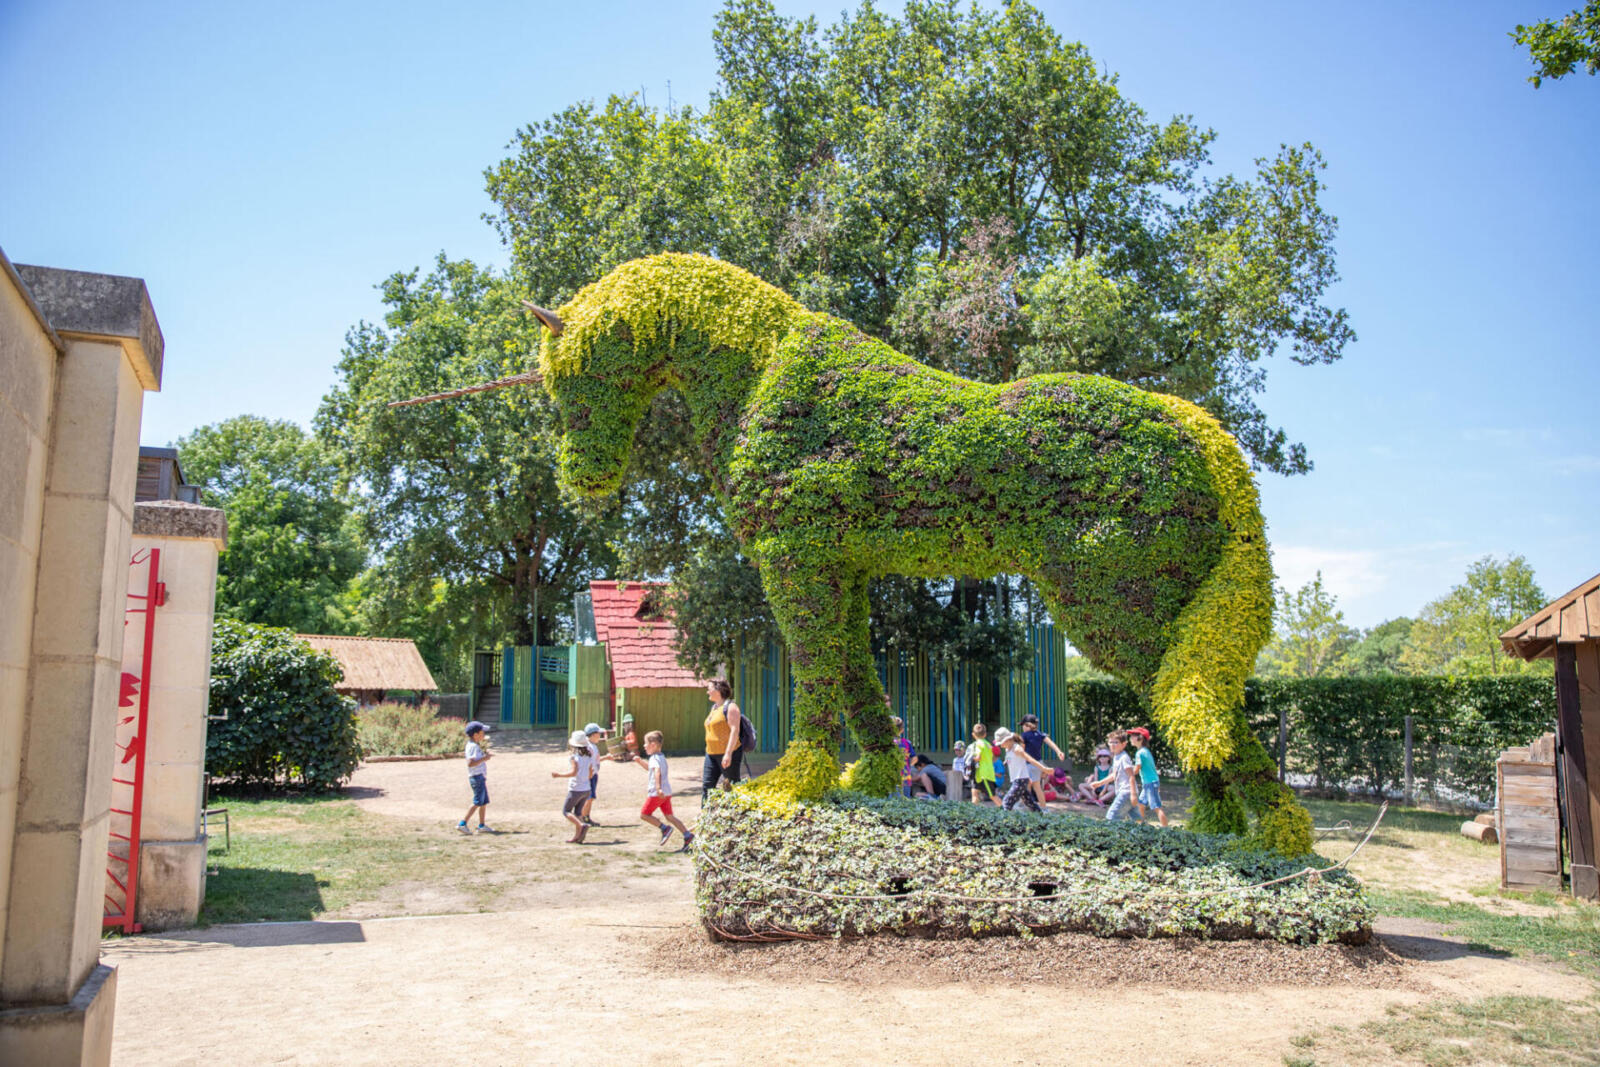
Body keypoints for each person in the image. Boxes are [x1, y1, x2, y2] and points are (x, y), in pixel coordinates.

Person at [633, 730, 694, 850]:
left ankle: (664, 829)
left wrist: (658, 788)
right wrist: (640, 762)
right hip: (667, 793)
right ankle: (688, 836)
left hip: (657, 793)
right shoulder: (660, 757)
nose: (644, 746)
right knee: (670, 816)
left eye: (646, 743)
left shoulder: (654, 758)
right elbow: (651, 769)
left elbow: (657, 772)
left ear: (653, 745)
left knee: (644, 814)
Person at [702, 679, 744, 798]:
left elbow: (735, 730)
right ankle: (705, 815)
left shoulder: (731, 707)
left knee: (732, 786)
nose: (707, 692)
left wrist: (728, 754)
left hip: (728, 754)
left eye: (709, 689)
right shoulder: (714, 708)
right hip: (711, 754)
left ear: (718, 689)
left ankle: (735, 814)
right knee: (707, 786)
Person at [552, 730, 595, 843]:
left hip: (576, 788)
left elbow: (573, 772)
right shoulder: (589, 756)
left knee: (566, 811)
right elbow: (591, 773)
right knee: (578, 813)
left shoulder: (574, 757)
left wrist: (558, 775)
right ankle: (577, 836)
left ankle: (581, 825)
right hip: (586, 788)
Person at [995, 727, 1049, 812]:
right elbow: (1013, 760)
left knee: (1006, 801)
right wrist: (1005, 762)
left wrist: (1044, 768)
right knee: (1029, 802)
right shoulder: (1007, 749)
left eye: (1001, 743)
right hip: (1017, 779)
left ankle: (1003, 822)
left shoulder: (1017, 749)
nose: (1000, 745)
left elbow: (1030, 759)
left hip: (1020, 780)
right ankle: (1040, 816)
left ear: (1008, 740)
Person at [1018, 714, 1066, 808]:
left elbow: (1021, 749)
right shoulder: (1040, 734)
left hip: (1029, 764)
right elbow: (1050, 743)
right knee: (1037, 787)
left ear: (1028, 725)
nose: (1022, 727)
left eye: (1023, 725)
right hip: (1039, 763)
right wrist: (1059, 751)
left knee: (1027, 786)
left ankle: (1025, 806)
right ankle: (1043, 808)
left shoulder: (1024, 735)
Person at [1126, 727, 1169, 827]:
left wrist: (1126, 773)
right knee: (1140, 805)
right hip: (1149, 783)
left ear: (1140, 738)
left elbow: (1136, 769)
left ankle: (1166, 829)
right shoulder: (1145, 751)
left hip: (1150, 783)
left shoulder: (1140, 753)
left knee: (1157, 807)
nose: (1130, 738)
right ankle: (1139, 826)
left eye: (1133, 736)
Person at [458, 720, 494, 834]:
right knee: (477, 802)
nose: (484, 734)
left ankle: (481, 825)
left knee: (483, 802)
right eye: (482, 732)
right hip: (477, 777)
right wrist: (485, 758)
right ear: (476, 735)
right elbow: (470, 763)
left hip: (480, 777)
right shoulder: (472, 746)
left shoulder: (473, 745)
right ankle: (462, 823)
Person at [1102, 731, 1137, 822]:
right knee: (1137, 820)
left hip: (1127, 792)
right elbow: (1114, 775)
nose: (1112, 745)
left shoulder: (1124, 758)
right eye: (1110, 742)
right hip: (1125, 792)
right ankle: (1149, 835)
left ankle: (1111, 835)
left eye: (1116, 742)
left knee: (1111, 817)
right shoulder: (1116, 757)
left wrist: (1133, 795)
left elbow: (1131, 776)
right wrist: (1099, 783)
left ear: (1124, 744)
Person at [966, 723, 999, 806]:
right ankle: (973, 814)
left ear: (973, 735)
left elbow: (978, 757)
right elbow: (992, 757)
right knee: (975, 792)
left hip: (983, 774)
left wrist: (971, 759)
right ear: (985, 734)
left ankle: (1007, 812)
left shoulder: (978, 744)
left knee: (992, 795)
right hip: (984, 773)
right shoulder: (988, 744)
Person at [580, 722, 605, 826]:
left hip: (593, 775)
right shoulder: (588, 747)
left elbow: (595, 761)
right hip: (589, 776)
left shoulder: (593, 746)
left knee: (591, 797)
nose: (600, 736)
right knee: (589, 797)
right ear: (593, 734)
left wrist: (606, 758)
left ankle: (586, 817)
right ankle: (582, 818)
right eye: (599, 734)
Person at [892, 714, 917, 796]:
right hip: (906, 777)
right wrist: (908, 766)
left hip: (892, 778)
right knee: (905, 803)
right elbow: (915, 758)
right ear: (902, 730)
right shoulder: (906, 743)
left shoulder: (888, 743)